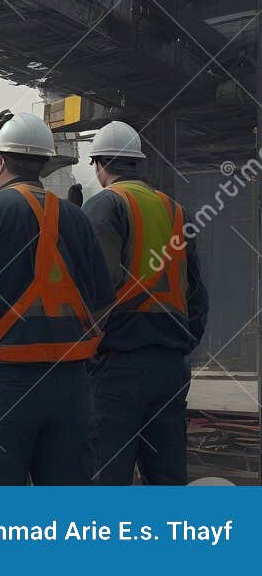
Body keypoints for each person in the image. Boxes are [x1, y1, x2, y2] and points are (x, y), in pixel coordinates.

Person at [0, 112, 115, 485]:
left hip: (2, 382)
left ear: (0, 162)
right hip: (70, 385)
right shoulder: (76, 218)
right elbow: (104, 297)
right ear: (43, 163)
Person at [81, 121, 207, 485]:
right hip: (169, 366)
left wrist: (87, 352)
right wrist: (180, 343)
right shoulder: (175, 210)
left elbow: (94, 288)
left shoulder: (105, 206)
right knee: (167, 480)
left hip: (117, 366)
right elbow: (197, 295)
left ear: (100, 164)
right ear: (138, 163)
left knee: (105, 480)